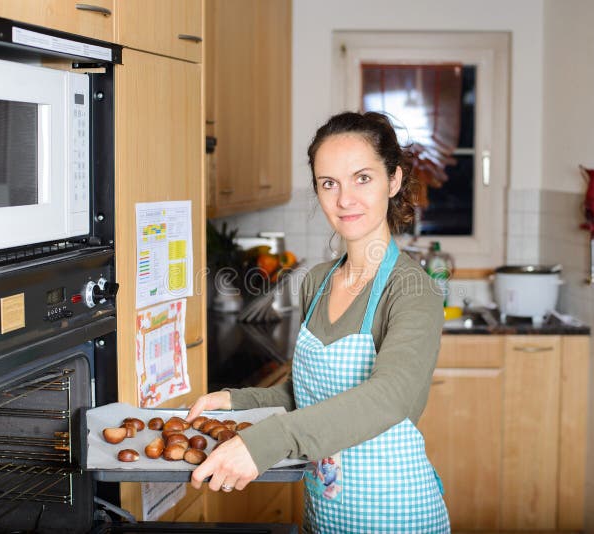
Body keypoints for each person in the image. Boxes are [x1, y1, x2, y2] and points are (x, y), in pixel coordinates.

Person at [187, 111, 451, 533]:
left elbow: (390, 397)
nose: (344, 199)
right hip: (325, 515)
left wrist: (264, 444)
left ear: (395, 180)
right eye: (329, 183)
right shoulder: (316, 281)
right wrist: (239, 401)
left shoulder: (412, 291)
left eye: (362, 178)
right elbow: (310, 393)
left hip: (396, 517)